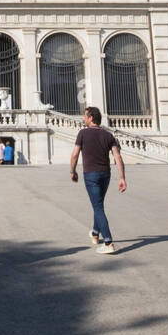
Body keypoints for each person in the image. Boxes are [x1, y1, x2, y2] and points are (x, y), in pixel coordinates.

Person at [69, 106, 126, 254]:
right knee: (98, 204)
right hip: (105, 175)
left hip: (91, 175)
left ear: (91, 118)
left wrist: (73, 171)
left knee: (98, 207)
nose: (84, 119)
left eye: (85, 116)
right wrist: (122, 178)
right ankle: (95, 233)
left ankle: (108, 242)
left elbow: (75, 154)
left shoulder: (82, 133)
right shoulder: (108, 135)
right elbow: (117, 156)